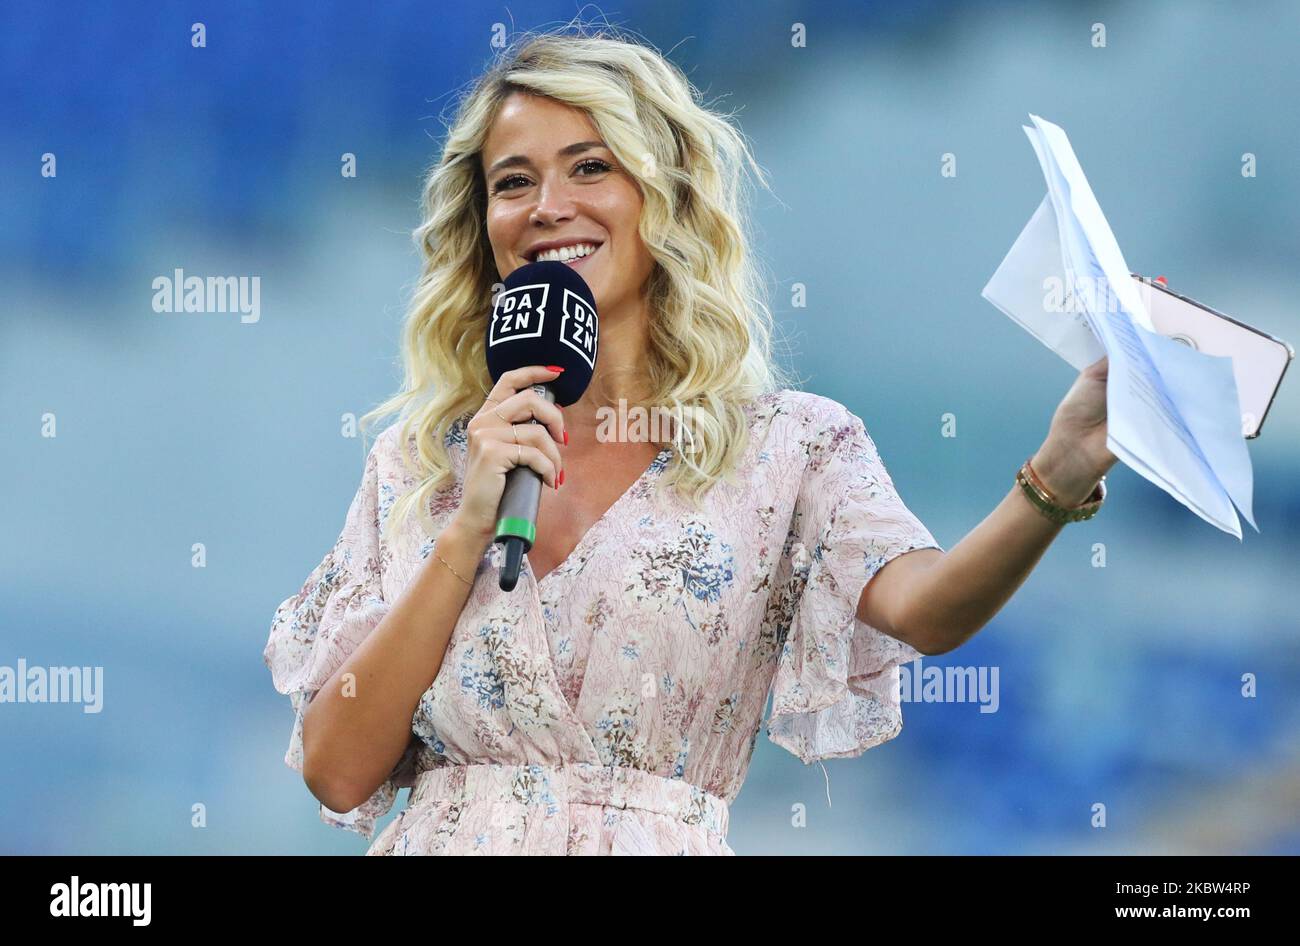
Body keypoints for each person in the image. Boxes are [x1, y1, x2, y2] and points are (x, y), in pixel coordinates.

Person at [262, 25, 1117, 855]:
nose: (550, 207)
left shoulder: (788, 448)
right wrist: (464, 530)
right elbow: (337, 772)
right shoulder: (419, 466)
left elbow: (927, 612)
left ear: (661, 197)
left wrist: (1057, 476)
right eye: (513, 182)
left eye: (591, 167)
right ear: (484, 223)